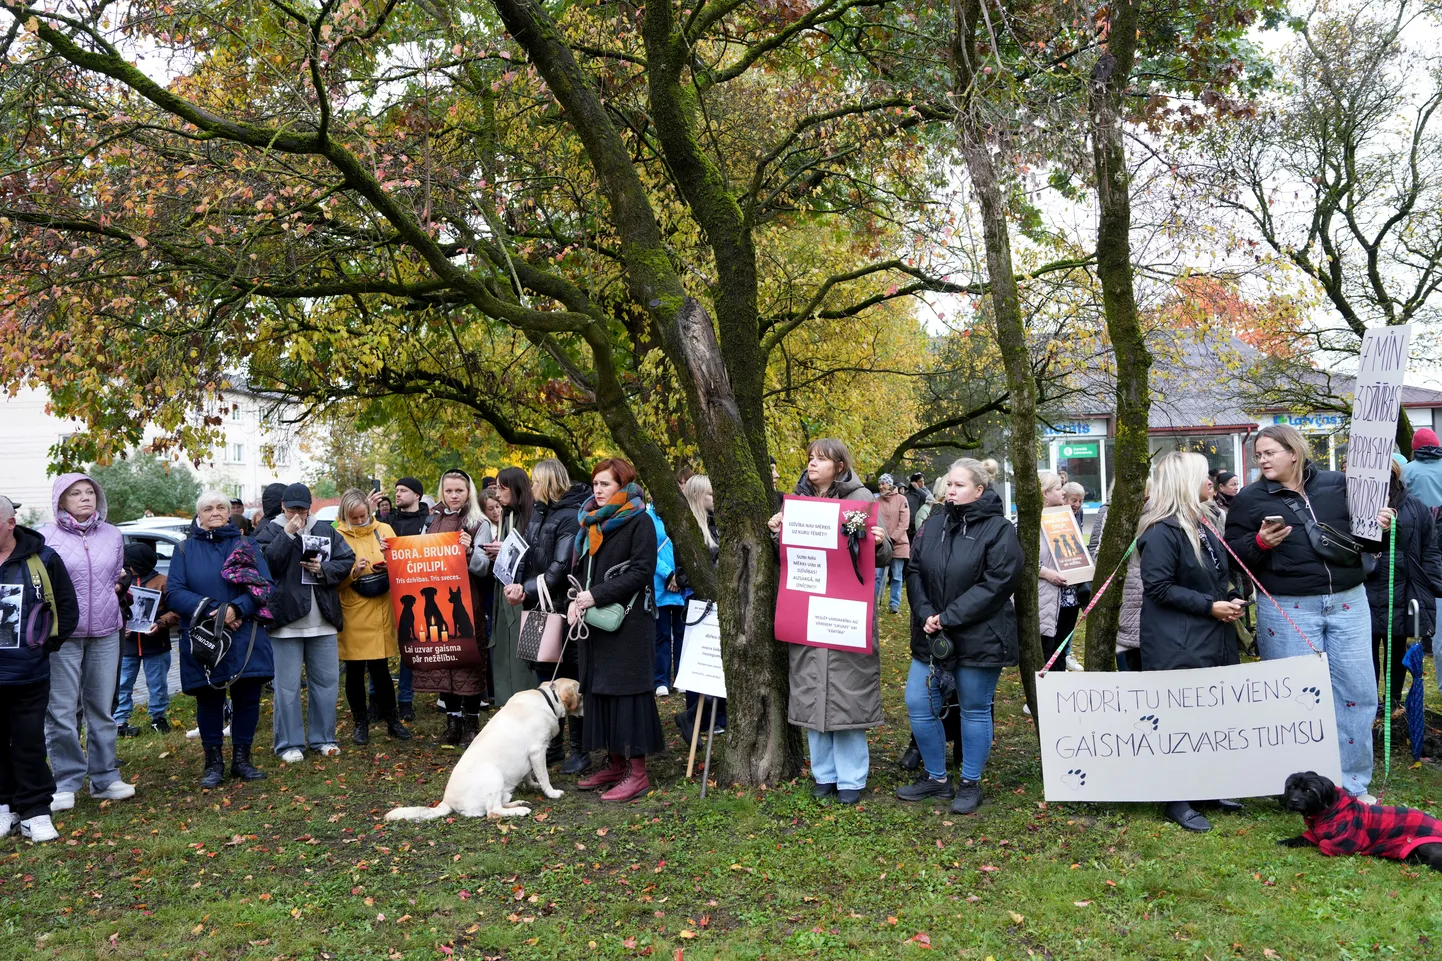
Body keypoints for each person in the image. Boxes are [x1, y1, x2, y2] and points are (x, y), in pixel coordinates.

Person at [1224, 424, 1394, 802]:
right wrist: (1259, 542)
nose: (1262, 459)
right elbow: (1232, 556)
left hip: (1349, 600)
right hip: (1287, 605)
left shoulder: (1339, 484)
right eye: (1259, 454)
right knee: (1293, 699)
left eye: (1270, 452)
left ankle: (1351, 785)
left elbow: (1366, 538)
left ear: (1294, 453)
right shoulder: (1250, 499)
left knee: (1358, 692)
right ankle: (1297, 788)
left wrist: (1380, 524)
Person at [898, 459, 1023, 814]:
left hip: (979, 636)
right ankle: (936, 778)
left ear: (979, 490)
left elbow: (997, 584)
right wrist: (925, 613)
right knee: (919, 704)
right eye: (949, 484)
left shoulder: (1000, 530)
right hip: (932, 636)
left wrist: (949, 617)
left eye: (959, 485)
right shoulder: (934, 525)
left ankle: (970, 782)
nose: (950, 490)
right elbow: (915, 570)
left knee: (974, 709)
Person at [768, 439, 890, 805]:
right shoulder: (798, 502)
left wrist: (879, 542)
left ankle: (852, 779)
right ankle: (824, 774)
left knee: (848, 693)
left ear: (839, 465)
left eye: (820, 459)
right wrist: (778, 532)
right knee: (810, 691)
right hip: (807, 612)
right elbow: (787, 558)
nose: (812, 464)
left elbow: (880, 555)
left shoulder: (861, 498)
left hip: (846, 615)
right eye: (809, 458)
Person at [1137, 452, 1246, 832]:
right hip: (1177, 643)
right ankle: (1176, 798)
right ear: (1186, 483)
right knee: (1177, 721)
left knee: (1209, 717)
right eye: (1204, 478)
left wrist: (1229, 597)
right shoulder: (1161, 531)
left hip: (1209, 637)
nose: (1211, 485)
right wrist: (1209, 606)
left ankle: (1207, 787)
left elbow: (1215, 575)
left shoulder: (1202, 524)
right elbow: (1159, 587)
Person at [166, 490, 276, 787]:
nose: (214, 512)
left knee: (247, 697)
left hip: (245, 632)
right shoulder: (185, 549)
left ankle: (243, 759)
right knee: (209, 698)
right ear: (198, 515)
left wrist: (238, 608)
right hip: (204, 635)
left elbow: (265, 586)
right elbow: (174, 592)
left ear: (229, 513)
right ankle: (213, 762)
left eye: (220, 507)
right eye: (207, 508)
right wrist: (216, 611)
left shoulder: (247, 544)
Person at [568, 458, 662, 802]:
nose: (598, 490)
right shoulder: (589, 523)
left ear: (622, 486)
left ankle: (637, 773)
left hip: (629, 624)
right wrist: (575, 600)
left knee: (628, 694)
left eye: (605, 484)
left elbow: (641, 571)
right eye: (595, 484)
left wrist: (595, 595)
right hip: (595, 624)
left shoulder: (640, 522)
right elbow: (580, 568)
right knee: (601, 692)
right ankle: (615, 761)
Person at [40, 472, 133, 811]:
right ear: (60, 500)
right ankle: (66, 781)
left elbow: (115, 577)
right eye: (75, 493)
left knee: (101, 708)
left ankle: (105, 778)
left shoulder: (112, 534)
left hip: (106, 631)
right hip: (63, 635)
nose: (84, 498)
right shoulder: (44, 537)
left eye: (90, 492)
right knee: (62, 710)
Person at [255, 483, 352, 764]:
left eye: (302, 508)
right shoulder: (270, 530)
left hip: (322, 618)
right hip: (285, 620)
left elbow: (346, 559)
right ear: (282, 507)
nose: (297, 513)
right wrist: (287, 535)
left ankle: (324, 738)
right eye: (291, 508)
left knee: (326, 682)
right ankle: (289, 743)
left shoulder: (324, 528)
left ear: (310, 506)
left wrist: (324, 569)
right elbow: (265, 566)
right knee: (286, 686)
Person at [0, 495, 78, 843]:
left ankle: (35, 811)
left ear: (10, 523)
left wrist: (46, 646)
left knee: (29, 743)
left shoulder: (43, 559)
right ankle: (4, 807)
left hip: (28, 674)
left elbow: (66, 607)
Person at [520, 459, 589, 772]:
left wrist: (525, 589)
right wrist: (517, 583)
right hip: (539, 607)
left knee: (568, 680)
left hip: (561, 609)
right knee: (542, 677)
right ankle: (553, 746)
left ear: (547, 483)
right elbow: (528, 554)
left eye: (535, 482)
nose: (531, 488)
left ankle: (580, 751)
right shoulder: (539, 513)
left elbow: (559, 570)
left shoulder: (570, 517)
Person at [416, 469, 490, 745]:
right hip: (435, 602)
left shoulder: (478, 523)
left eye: (459, 490)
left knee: (469, 662)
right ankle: (452, 724)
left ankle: (472, 723)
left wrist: (470, 551)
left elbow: (484, 568)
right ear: (442, 491)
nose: (454, 495)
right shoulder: (431, 519)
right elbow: (419, 557)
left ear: (468, 491)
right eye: (449, 490)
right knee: (443, 661)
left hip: (465, 602)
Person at [333, 488, 411, 745]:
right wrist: (353, 573)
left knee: (381, 670)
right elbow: (331, 579)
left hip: (380, 607)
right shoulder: (336, 535)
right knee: (354, 671)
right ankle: (360, 723)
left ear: (369, 510)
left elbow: (402, 564)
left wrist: (390, 565)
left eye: (362, 515)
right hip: (353, 610)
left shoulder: (385, 530)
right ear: (344, 514)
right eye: (353, 517)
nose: (358, 521)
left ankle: (392, 720)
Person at [1366, 460, 1442, 709]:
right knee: (1366, 652)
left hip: (1401, 591)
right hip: (1366, 589)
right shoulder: (1358, 506)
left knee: (1396, 648)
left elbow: (1429, 549)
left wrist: (1433, 584)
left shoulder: (1415, 507)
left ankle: (1393, 703)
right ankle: (1369, 703)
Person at [673, 473, 725, 737]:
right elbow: (681, 574)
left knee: (719, 661)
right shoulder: (689, 530)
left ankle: (714, 716)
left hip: (718, 601)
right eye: (710, 494)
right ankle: (694, 718)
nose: (716, 499)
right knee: (700, 663)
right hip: (698, 604)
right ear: (697, 496)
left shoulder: (717, 524)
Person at [487, 467, 539, 709]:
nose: (497, 493)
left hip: (525, 595)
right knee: (504, 651)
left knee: (523, 655)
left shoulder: (533, 517)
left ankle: (527, 705)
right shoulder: (506, 517)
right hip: (505, 591)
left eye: (502, 487)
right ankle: (507, 705)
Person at [115, 542, 179, 736]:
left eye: (128, 562)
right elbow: (110, 607)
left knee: (157, 683)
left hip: (156, 644)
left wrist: (160, 623)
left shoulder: (163, 582)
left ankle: (158, 718)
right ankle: (120, 722)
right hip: (128, 646)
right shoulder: (121, 582)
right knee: (123, 683)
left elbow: (177, 610)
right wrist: (120, 626)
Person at [1088, 481, 1147, 671]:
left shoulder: (1157, 517)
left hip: (1148, 593)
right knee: (1127, 649)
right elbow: (1098, 553)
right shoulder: (1111, 515)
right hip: (1125, 593)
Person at [1036, 471, 1077, 670]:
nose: (1063, 492)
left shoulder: (1066, 518)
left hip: (1067, 599)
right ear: (1044, 493)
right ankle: (1041, 700)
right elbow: (1021, 560)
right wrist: (1046, 574)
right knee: (1045, 655)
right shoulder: (1027, 524)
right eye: (1058, 488)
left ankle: (1059, 698)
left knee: (1061, 653)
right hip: (1043, 599)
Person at [649, 499, 687, 696]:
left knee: (681, 634)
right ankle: (661, 679)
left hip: (681, 584)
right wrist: (668, 574)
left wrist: (678, 577)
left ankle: (681, 677)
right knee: (661, 634)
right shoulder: (649, 517)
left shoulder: (682, 513)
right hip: (659, 583)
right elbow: (648, 552)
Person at [875, 474, 911, 615]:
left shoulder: (902, 500)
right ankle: (873, 602)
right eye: (880, 484)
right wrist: (881, 540)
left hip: (898, 543)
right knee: (877, 576)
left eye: (884, 483)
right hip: (879, 544)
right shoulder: (876, 500)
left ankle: (894, 604)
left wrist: (892, 539)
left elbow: (904, 523)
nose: (881, 486)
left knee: (896, 576)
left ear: (890, 484)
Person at [904, 472, 928, 538]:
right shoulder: (907, 494)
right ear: (913, 483)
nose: (922, 483)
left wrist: (918, 489)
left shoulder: (925, 491)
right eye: (920, 481)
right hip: (910, 527)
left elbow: (929, 499)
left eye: (923, 481)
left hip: (922, 525)